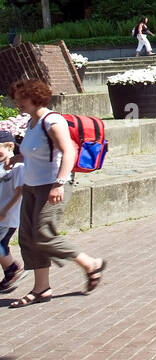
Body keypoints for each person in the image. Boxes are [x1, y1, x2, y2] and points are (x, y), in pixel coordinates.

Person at [8, 79, 106, 306]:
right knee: (28, 238)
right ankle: (41, 289)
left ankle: (90, 263)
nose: (17, 103)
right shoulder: (32, 122)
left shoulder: (52, 121)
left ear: (35, 97)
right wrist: (18, 157)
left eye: (21, 98)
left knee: (44, 234)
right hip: (32, 186)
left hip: (51, 185)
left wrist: (59, 183)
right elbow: (37, 151)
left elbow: (68, 153)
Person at [0, 134, 25, 292]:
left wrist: (5, 209)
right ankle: (10, 271)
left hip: (8, 216)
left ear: (10, 146)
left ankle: (13, 269)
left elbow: (19, 191)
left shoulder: (18, 167)